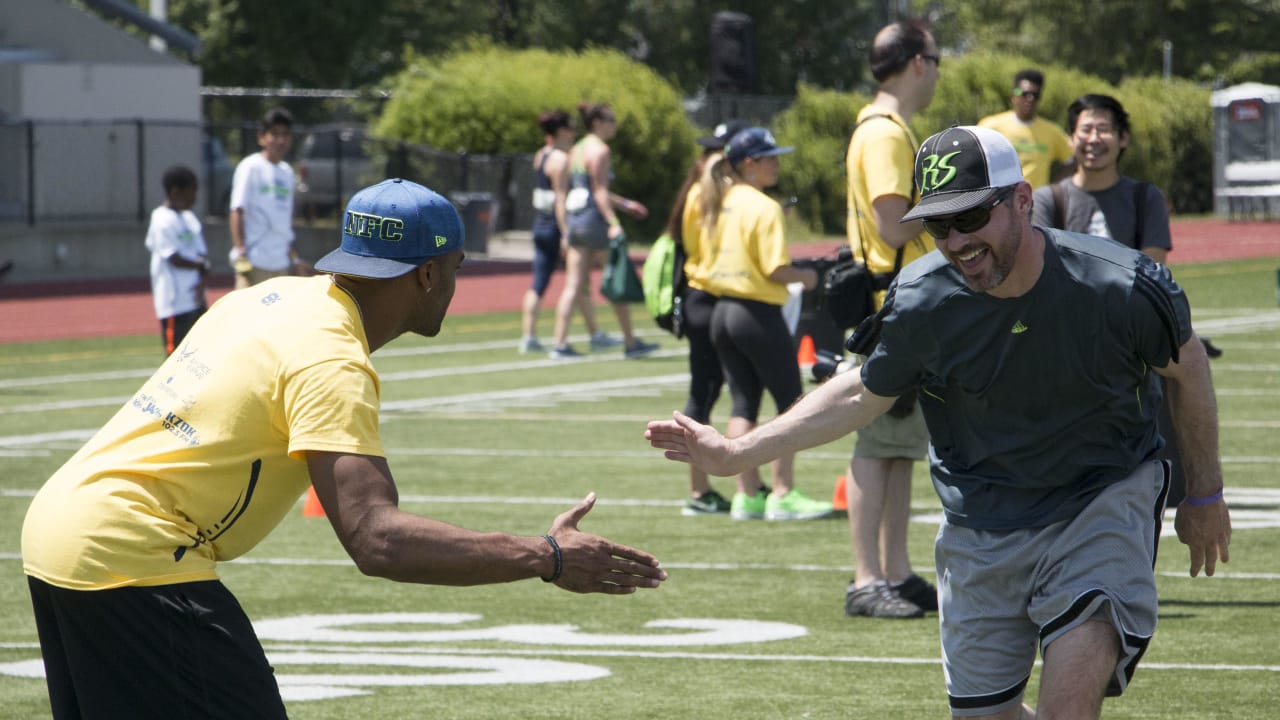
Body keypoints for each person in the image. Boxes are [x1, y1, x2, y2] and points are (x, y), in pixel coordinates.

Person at [22, 178, 668, 719]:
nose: (455, 283)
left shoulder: (270, 297)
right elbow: (376, 539)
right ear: (427, 274)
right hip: (130, 551)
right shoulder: (332, 360)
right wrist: (546, 555)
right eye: (456, 268)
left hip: (61, 529)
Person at [647, 125, 1232, 719]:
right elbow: (862, 391)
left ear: (1022, 200)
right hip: (981, 520)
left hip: (1100, 502)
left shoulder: (1118, 283)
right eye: (939, 225)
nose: (957, 241)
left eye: (972, 217)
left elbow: (1187, 368)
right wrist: (737, 454)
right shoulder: (923, 298)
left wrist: (1205, 492)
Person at [1030, 93, 1192, 505]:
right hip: (1064, 364)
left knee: (1140, 483)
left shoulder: (1145, 198)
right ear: (1071, 139)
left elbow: (1151, 275)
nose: (1093, 138)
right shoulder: (1049, 200)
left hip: (1133, 362)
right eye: (1085, 129)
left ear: (1123, 139)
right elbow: (1041, 277)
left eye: (1104, 129)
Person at [841, 18, 940, 618]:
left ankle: (895, 572)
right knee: (878, 447)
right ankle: (866, 579)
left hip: (896, 304)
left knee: (898, 448)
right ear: (918, 63)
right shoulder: (884, 132)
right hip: (889, 308)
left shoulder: (883, 126)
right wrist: (958, 203)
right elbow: (892, 225)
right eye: (935, 59)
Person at [698, 126, 830, 521]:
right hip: (756, 313)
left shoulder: (720, 200)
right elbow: (775, 270)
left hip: (723, 312)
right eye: (770, 158)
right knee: (792, 404)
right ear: (749, 164)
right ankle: (783, 493)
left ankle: (747, 495)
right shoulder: (763, 206)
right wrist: (809, 277)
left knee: (744, 403)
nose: (777, 164)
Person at [676, 119, 748, 515]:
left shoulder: (699, 193)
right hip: (708, 295)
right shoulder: (716, 196)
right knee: (704, 393)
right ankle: (699, 490)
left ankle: (719, 487)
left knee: (717, 390)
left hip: (702, 296)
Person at [549, 102, 657, 359]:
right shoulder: (600, 150)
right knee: (616, 280)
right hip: (595, 221)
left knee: (574, 285)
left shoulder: (576, 149)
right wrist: (614, 222)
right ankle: (630, 342)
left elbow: (585, 189)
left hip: (576, 220)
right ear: (597, 123)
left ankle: (559, 343)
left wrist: (625, 204)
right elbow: (599, 191)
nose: (614, 125)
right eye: (611, 120)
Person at [229, 107, 310, 289]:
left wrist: (294, 258)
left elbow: (283, 224)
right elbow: (237, 210)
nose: (281, 140)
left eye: (285, 134)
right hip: (254, 262)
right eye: (274, 134)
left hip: (280, 265)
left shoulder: (287, 172)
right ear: (262, 137)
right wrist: (241, 251)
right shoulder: (250, 167)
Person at [145, 165, 210, 355]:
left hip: (196, 299)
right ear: (175, 192)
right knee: (176, 357)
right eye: (192, 192)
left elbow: (201, 253)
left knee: (202, 354)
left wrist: (203, 278)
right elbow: (173, 258)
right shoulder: (161, 219)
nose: (195, 198)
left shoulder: (189, 218)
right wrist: (200, 265)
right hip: (174, 303)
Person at [978, 69, 1075, 189]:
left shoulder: (1052, 132)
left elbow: (1074, 161)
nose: (1030, 99)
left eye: (1035, 95)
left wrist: (1054, 189)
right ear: (1013, 95)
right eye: (1024, 93)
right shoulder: (990, 126)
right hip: (1000, 197)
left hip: (1035, 199)